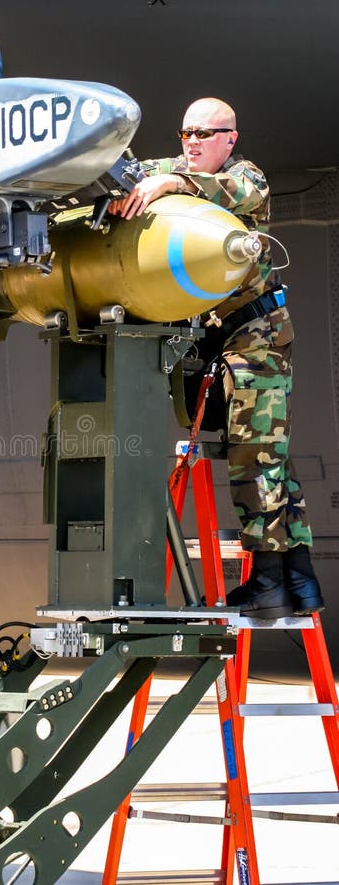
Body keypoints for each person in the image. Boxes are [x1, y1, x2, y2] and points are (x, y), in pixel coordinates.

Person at [110, 97, 324, 619]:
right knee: (269, 458)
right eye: (186, 133)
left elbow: (230, 191)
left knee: (255, 460)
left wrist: (170, 185)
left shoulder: (245, 179)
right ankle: (300, 579)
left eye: (206, 133)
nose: (193, 142)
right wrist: (124, 190)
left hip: (257, 339)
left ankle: (269, 584)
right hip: (228, 340)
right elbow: (131, 174)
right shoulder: (175, 169)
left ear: (231, 139)